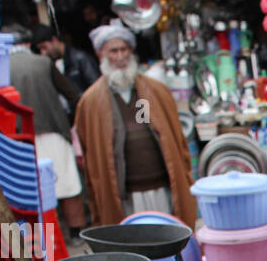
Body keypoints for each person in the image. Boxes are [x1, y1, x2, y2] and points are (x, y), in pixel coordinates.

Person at [73, 23, 196, 227]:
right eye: (114, 51)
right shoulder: (91, 101)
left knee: (166, 242)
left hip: (162, 189)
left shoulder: (153, 91)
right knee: (133, 249)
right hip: (125, 195)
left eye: (124, 49)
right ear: (101, 54)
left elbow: (174, 139)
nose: (120, 56)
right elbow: (90, 158)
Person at [9, 39, 86, 242]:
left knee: (35, 190)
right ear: (27, 44)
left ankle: (46, 237)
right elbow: (73, 94)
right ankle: (75, 232)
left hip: (20, 138)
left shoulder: (0, 67)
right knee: (67, 184)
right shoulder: (43, 63)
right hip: (53, 130)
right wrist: (70, 123)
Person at [30, 24, 101, 94]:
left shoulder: (80, 58)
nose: (43, 52)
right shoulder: (54, 62)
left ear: (54, 40)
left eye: (44, 47)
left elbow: (97, 88)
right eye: (40, 49)